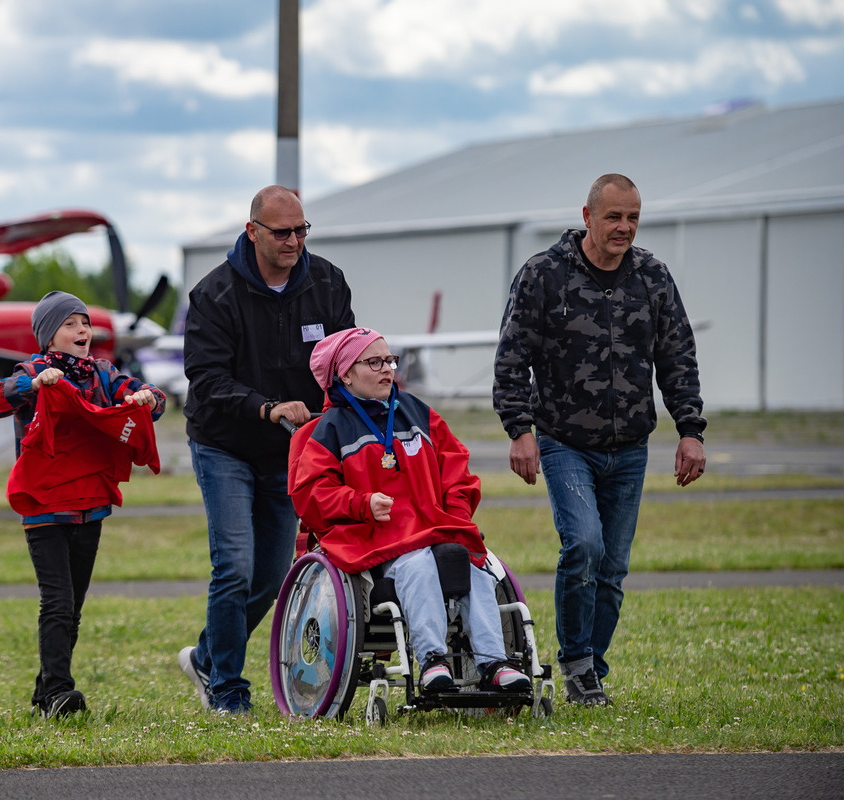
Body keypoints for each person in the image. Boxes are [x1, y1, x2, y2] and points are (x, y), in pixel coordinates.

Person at [493, 173, 707, 706]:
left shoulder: (652, 276)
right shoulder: (544, 275)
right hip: (564, 440)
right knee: (583, 545)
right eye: (613, 217)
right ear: (587, 216)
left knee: (612, 568)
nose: (624, 228)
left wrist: (690, 431)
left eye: (633, 217)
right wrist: (520, 431)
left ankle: (592, 668)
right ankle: (577, 665)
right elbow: (512, 357)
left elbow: (677, 357)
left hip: (631, 446)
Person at [178, 185, 355, 714]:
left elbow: (345, 356)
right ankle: (227, 688)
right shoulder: (215, 294)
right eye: (282, 232)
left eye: (302, 230)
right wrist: (267, 406)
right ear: (252, 230)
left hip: (293, 450)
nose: (294, 241)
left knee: (275, 575)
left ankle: (208, 656)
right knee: (233, 565)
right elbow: (205, 378)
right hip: (224, 444)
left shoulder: (327, 282)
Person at [288, 327, 531, 695]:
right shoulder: (329, 430)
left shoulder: (419, 413)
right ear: (345, 374)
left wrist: (456, 514)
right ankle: (433, 661)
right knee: (417, 564)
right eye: (374, 362)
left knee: (474, 564)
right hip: (374, 540)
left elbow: (457, 472)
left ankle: (494, 662)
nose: (387, 369)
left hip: (435, 528)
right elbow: (312, 493)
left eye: (390, 360)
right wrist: (361, 503)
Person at [0, 291, 165, 720]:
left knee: (73, 609)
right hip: (43, 506)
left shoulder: (103, 374)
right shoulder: (33, 371)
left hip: (92, 505)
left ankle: (45, 696)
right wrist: (31, 384)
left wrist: (148, 399)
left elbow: (150, 397)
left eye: (84, 323)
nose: (83, 331)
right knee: (58, 603)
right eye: (70, 324)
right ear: (49, 337)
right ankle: (60, 693)